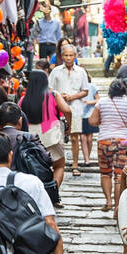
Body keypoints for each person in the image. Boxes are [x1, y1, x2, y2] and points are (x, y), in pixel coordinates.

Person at [89, 77, 127, 213]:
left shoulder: (101, 102)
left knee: (105, 174)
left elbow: (92, 121)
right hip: (123, 142)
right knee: (120, 175)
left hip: (104, 141)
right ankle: (118, 209)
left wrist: (104, 120)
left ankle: (108, 202)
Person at [20, 68, 69, 190]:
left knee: (32, 166)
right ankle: (53, 194)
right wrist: (69, 125)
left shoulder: (23, 99)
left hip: (31, 139)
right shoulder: (53, 95)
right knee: (59, 166)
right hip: (51, 137)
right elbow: (67, 110)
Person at [49, 44, 90, 175]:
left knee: (74, 138)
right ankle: (56, 162)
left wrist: (72, 97)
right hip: (57, 109)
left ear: (75, 56)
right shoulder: (55, 71)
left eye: (71, 55)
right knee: (56, 137)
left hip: (75, 108)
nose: (68, 58)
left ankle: (75, 165)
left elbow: (85, 91)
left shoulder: (81, 72)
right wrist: (60, 97)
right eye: (66, 55)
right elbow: (49, 89)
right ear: (62, 56)